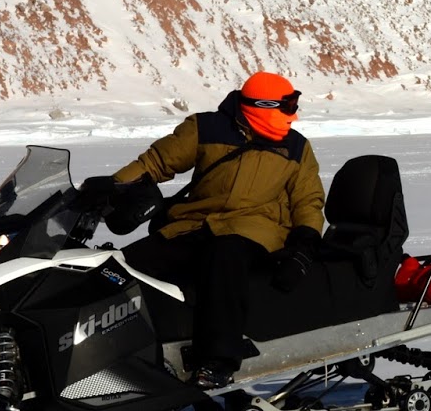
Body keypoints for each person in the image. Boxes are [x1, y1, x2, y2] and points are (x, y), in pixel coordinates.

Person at [101, 72, 325, 388]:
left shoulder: (297, 147)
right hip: (195, 224)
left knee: (224, 255)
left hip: (256, 229)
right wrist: (110, 189)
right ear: (262, 106)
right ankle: (117, 353)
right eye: (287, 106)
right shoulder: (206, 128)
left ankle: (218, 361)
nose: (294, 115)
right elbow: (156, 162)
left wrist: (305, 244)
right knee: (122, 267)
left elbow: (308, 200)